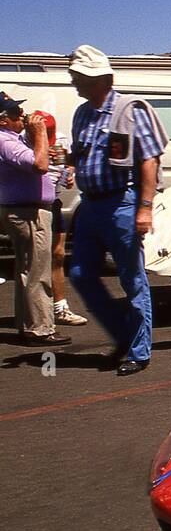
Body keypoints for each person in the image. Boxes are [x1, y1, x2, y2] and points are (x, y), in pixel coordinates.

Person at [65, 45, 166, 375]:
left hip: (121, 201)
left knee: (132, 278)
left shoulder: (128, 109)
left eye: (79, 77)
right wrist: (69, 165)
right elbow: (79, 153)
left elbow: (150, 159)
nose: (75, 83)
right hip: (91, 204)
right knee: (80, 274)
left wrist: (145, 207)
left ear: (99, 80)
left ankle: (138, 350)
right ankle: (124, 335)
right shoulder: (82, 113)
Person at [0, 99, 70, 346]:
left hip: (25, 210)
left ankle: (27, 325)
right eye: (16, 113)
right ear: (2, 119)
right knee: (38, 272)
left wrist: (38, 143)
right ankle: (40, 329)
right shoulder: (5, 140)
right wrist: (40, 132)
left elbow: (38, 159)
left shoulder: (12, 138)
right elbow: (39, 165)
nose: (22, 115)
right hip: (28, 213)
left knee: (26, 270)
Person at [41, 114, 87, 327]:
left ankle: (60, 307)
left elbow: (68, 163)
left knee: (58, 254)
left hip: (55, 199)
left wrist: (69, 172)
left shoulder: (59, 140)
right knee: (34, 261)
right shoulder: (22, 140)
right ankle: (35, 311)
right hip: (35, 204)